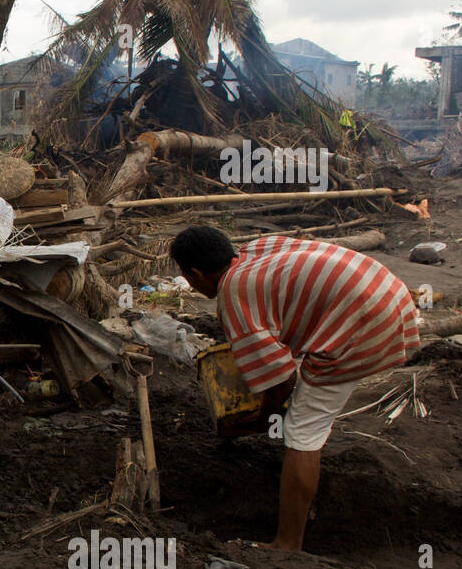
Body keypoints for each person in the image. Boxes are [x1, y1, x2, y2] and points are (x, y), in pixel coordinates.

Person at [170, 225, 421, 552]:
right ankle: (303, 500)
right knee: (302, 411)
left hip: (368, 320)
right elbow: (293, 304)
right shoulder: (256, 250)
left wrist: (267, 418)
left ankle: (287, 543)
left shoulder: (233, 293)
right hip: (388, 290)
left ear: (196, 273)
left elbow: (282, 378)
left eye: (187, 278)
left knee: (303, 430)